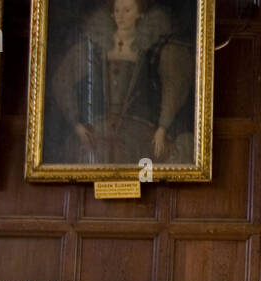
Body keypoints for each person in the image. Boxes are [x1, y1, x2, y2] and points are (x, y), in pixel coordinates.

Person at [50, 0, 194, 165]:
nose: (120, 16)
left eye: (127, 10)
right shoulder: (95, 45)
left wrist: (162, 128)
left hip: (140, 129)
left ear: (140, 13)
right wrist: (77, 124)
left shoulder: (158, 48)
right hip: (99, 129)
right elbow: (61, 82)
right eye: (117, 11)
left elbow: (173, 89)